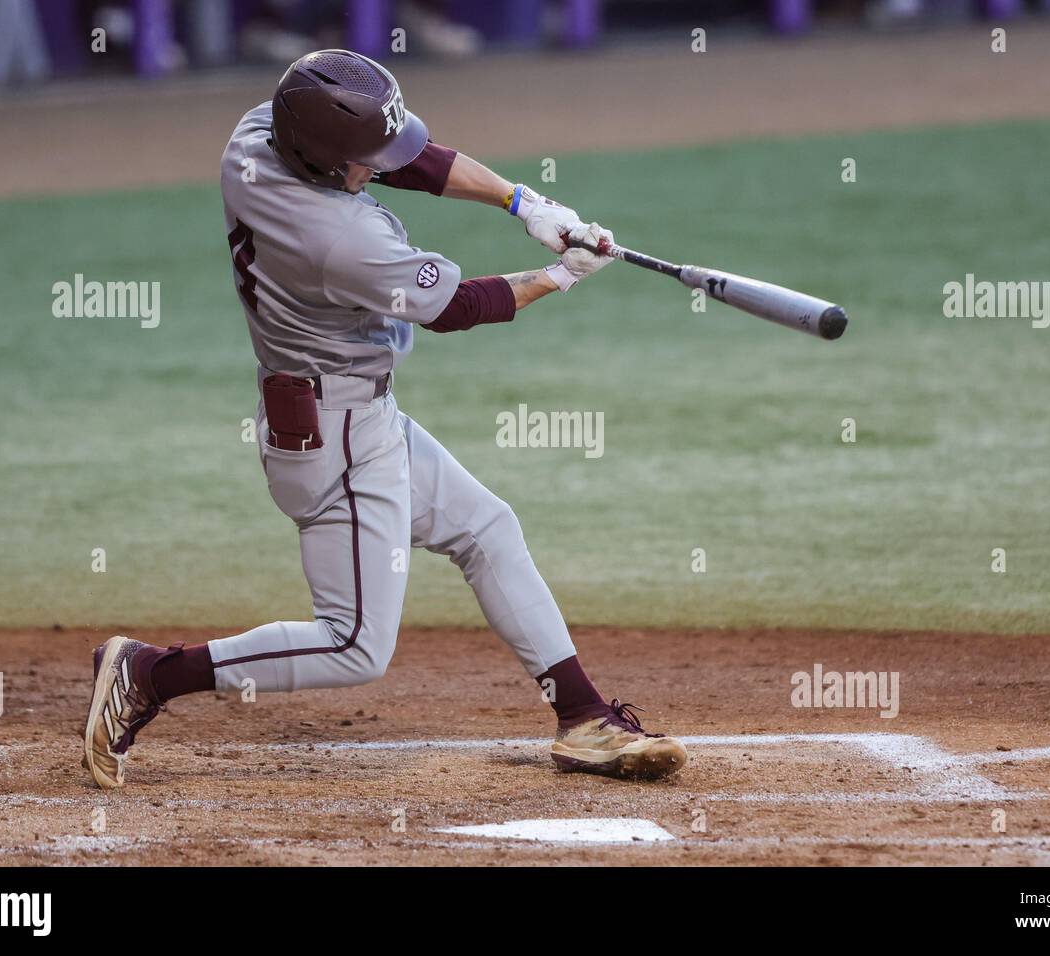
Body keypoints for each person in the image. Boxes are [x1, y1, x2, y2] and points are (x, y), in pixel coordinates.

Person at [82, 50, 688, 790]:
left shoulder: (254, 138)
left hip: (349, 411)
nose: (377, 167)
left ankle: (584, 718)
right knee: (353, 646)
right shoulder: (342, 242)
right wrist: (559, 276)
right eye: (361, 160)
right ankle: (148, 673)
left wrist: (522, 204)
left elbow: (403, 160)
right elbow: (459, 308)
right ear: (324, 158)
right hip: (335, 438)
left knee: (486, 528)